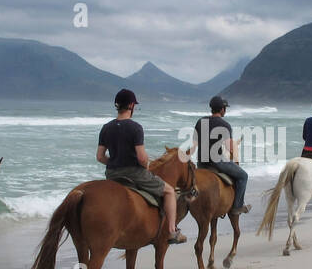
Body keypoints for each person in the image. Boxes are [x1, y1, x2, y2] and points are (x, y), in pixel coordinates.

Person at [97, 89, 185, 243]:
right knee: (170, 192)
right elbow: (142, 158)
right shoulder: (135, 127)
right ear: (131, 105)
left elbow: (99, 157)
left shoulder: (106, 127)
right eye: (134, 105)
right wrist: (145, 166)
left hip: (111, 174)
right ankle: (172, 231)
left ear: (117, 105)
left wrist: (114, 162)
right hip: (134, 174)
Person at [192, 96, 250, 214]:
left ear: (212, 108)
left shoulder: (200, 121)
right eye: (225, 108)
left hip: (201, 162)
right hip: (217, 161)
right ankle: (237, 206)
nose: (225, 110)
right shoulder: (225, 125)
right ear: (222, 109)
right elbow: (229, 148)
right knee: (243, 176)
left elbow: (195, 143)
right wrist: (235, 161)